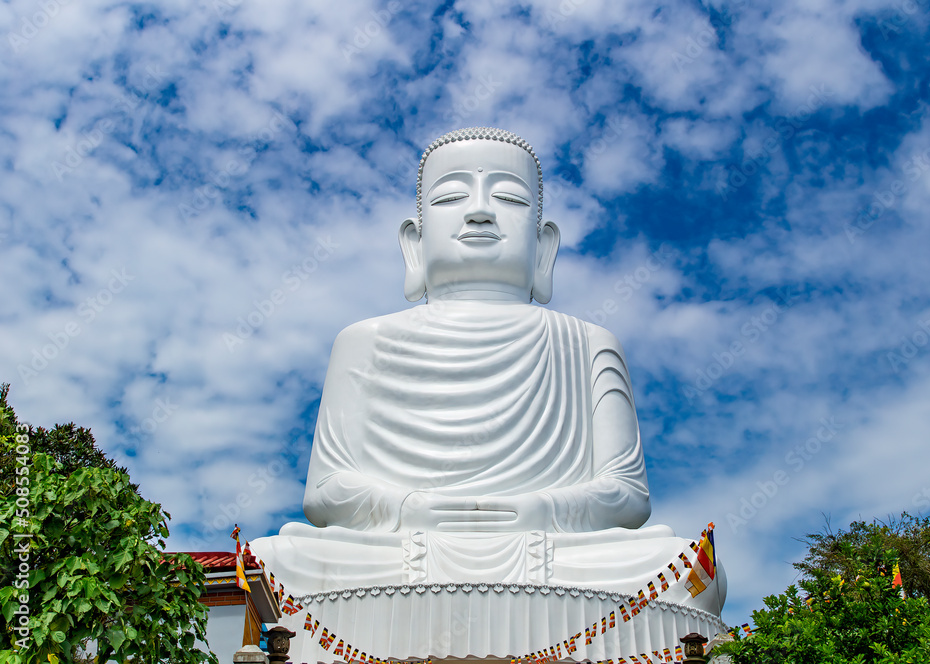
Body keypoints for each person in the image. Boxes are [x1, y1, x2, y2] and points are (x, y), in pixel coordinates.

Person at [252, 127, 725, 614]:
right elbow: (327, 491)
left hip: (554, 550)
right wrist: (408, 509)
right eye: (452, 196)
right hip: (398, 548)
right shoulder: (363, 342)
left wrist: (544, 511)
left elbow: (627, 493)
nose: (479, 211)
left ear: (544, 246)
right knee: (274, 562)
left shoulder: (587, 343)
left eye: (509, 197)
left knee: (681, 566)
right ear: (414, 242)